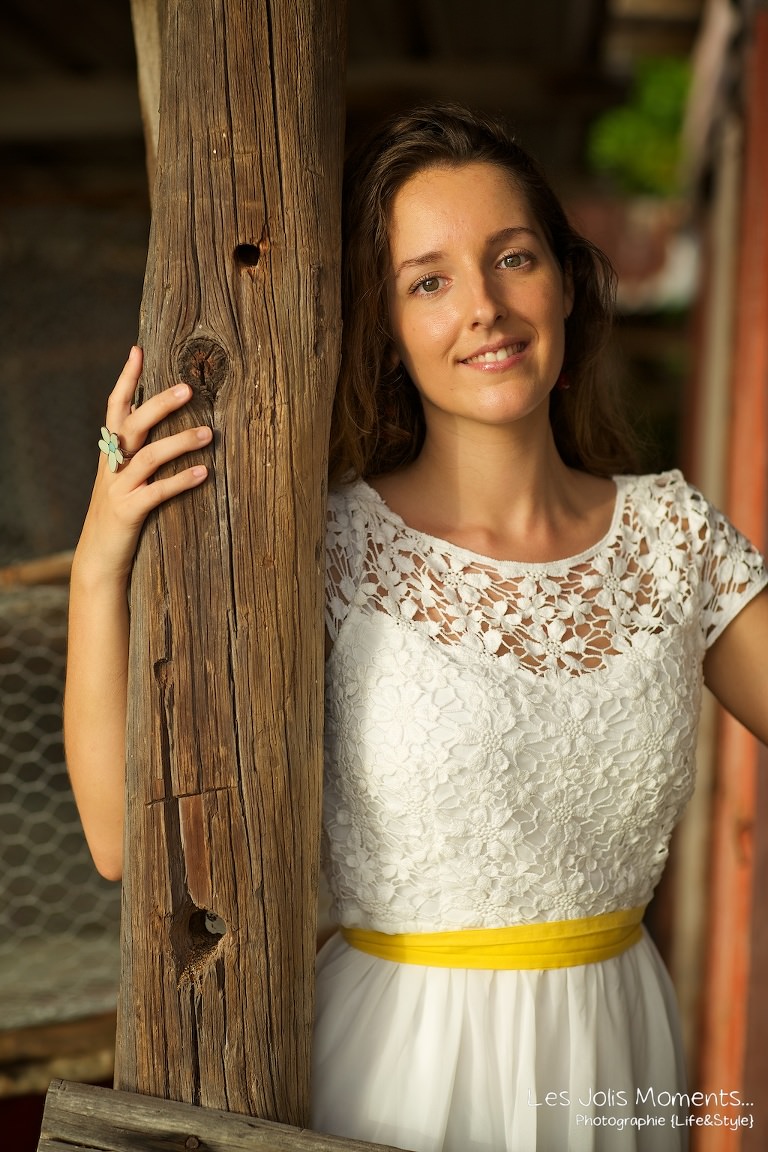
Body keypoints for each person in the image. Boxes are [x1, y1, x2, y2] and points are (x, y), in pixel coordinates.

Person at [65, 104, 768, 1151]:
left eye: (513, 258)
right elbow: (126, 839)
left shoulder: (675, 539)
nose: (483, 306)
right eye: (428, 281)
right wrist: (98, 560)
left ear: (566, 282)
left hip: (619, 1060)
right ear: (388, 327)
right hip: (400, 1067)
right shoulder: (325, 547)